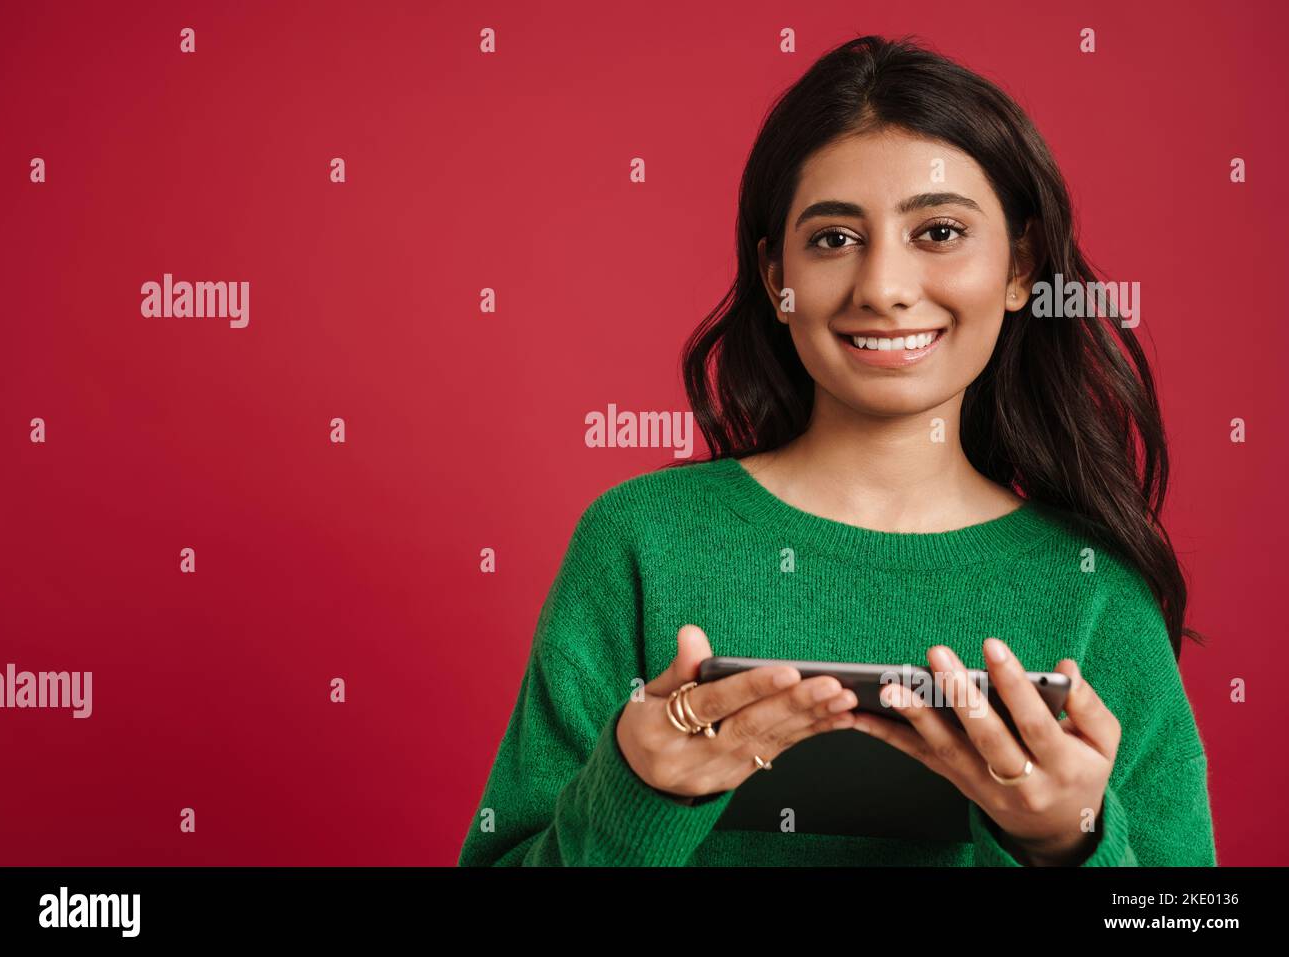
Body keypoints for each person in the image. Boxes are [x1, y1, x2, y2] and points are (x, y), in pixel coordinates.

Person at [457, 34, 1216, 866]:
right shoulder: (639, 541)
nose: (884, 288)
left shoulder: (1096, 590)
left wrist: (1068, 844)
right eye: (832, 240)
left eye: (938, 231)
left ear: (1022, 266)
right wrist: (640, 795)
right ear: (776, 276)